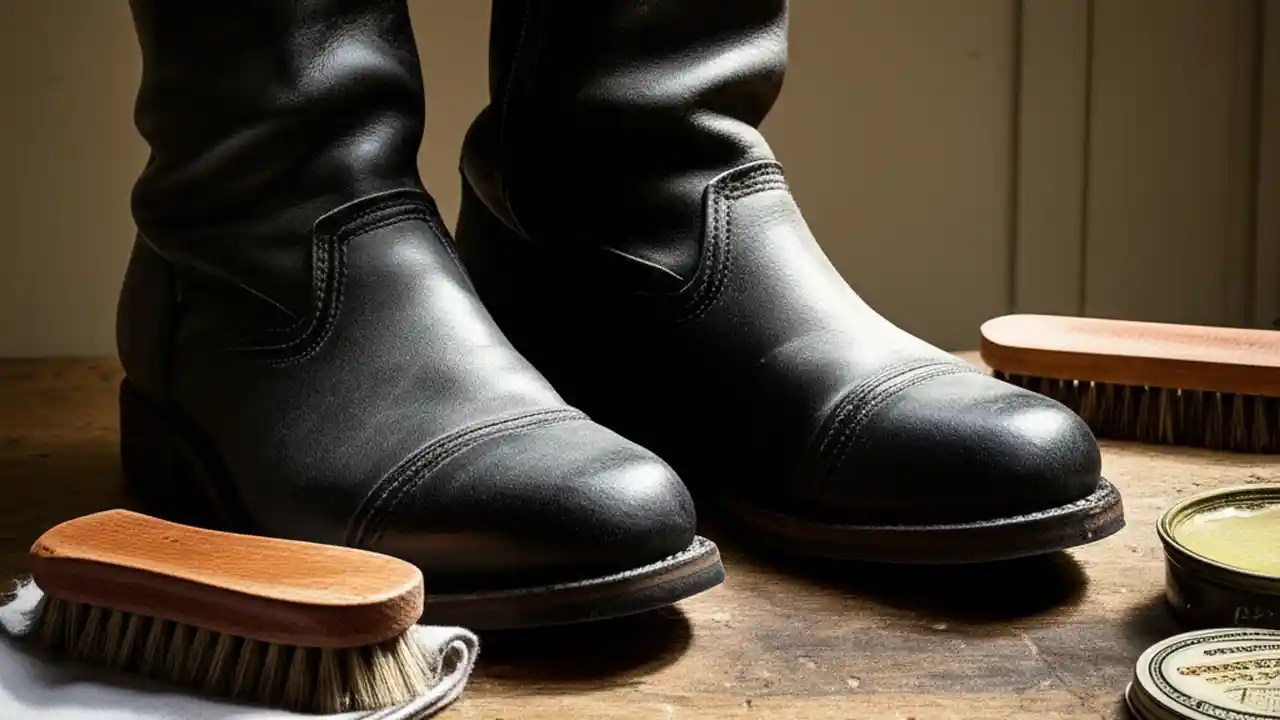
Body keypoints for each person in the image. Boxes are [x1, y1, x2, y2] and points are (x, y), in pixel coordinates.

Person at [118, 0, 1121, 629]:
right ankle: (252, 261)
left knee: (634, 129)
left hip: (603, 257)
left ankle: (605, 230)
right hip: (257, 288)